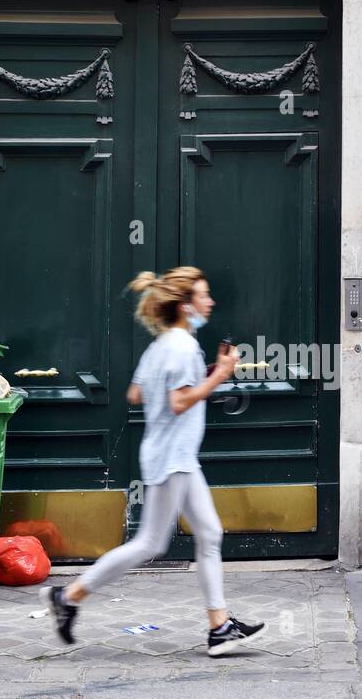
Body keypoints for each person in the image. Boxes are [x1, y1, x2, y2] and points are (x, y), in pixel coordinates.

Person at [41, 266, 267, 657]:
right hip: (172, 458)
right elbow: (178, 402)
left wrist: (204, 374)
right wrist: (220, 376)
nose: (210, 301)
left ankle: (220, 626)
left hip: (175, 454)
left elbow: (136, 394)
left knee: (210, 533)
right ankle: (69, 596)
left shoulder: (162, 345)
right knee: (150, 542)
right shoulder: (180, 347)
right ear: (184, 305)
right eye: (204, 295)